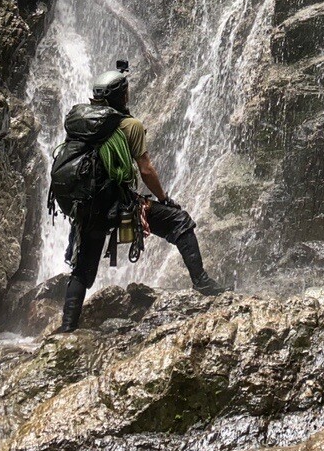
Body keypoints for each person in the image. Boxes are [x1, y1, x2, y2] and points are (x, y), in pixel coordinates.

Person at [59, 65, 225, 333]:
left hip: (86, 206)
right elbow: (146, 169)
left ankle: (67, 329)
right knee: (179, 221)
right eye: (125, 93)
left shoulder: (80, 122)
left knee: (82, 269)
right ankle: (202, 281)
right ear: (118, 97)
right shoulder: (130, 126)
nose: (128, 96)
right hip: (117, 205)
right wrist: (165, 198)